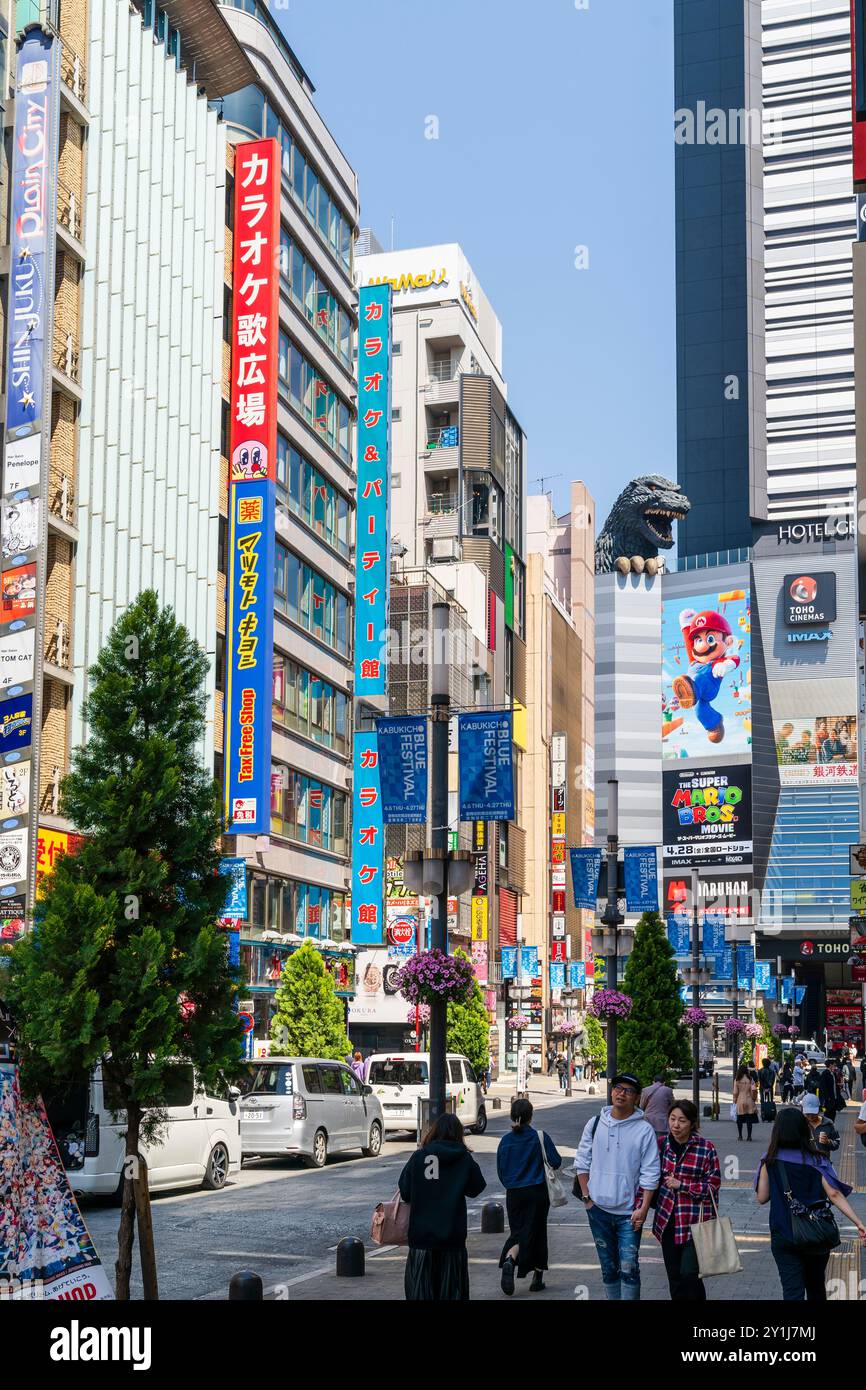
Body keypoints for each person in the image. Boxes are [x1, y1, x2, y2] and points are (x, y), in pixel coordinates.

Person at [755, 1106, 866, 1300]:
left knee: (792, 1291)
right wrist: (859, 1223)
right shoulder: (817, 1160)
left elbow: (762, 1198)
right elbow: (834, 1194)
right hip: (816, 1234)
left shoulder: (769, 1161)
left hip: (784, 1234)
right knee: (815, 1287)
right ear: (804, 1129)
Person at [572, 1072, 660, 1300]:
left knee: (629, 1268)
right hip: (598, 1210)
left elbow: (651, 1173)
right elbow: (582, 1161)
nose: (622, 1093)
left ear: (637, 1098)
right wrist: (586, 1198)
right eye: (618, 1088)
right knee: (608, 1268)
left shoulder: (644, 1130)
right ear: (611, 1092)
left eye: (628, 1090)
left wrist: (643, 1208)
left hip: (629, 1215)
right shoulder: (595, 1124)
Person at [398, 1112, 486, 1301]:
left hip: (421, 1240)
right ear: (458, 1134)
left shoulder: (419, 1156)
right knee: (452, 1293)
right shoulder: (463, 1158)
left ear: (434, 1131)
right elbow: (477, 1188)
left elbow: (405, 1191)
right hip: (452, 1239)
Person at [652, 1100, 721, 1301]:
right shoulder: (661, 1145)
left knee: (690, 1276)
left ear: (692, 1123)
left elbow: (713, 1185)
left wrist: (682, 1185)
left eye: (682, 1120)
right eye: (672, 1119)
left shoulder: (705, 1148)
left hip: (695, 1223)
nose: (676, 1125)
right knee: (675, 1279)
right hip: (667, 1222)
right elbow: (647, 1178)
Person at [497, 1098, 562, 1295]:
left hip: (514, 1193)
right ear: (531, 1116)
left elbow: (501, 1170)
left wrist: (512, 1183)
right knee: (538, 1232)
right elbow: (556, 1161)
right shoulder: (539, 1137)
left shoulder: (506, 1140)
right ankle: (536, 1277)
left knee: (518, 1231)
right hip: (537, 1191)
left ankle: (510, 1258)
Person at [639, 1074, 676, 1144]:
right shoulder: (668, 1090)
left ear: (653, 1082)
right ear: (664, 1082)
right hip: (662, 1121)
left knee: (649, 1142)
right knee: (662, 1142)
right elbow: (673, 1105)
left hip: (648, 1120)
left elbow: (641, 1106)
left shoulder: (645, 1090)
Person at [733, 1064, 758, 1141]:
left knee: (739, 1119)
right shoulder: (750, 1079)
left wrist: (734, 1100)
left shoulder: (737, 1079)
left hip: (740, 1100)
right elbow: (754, 1089)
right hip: (749, 1100)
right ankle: (749, 1136)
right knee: (749, 1119)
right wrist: (754, 1098)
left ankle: (740, 1136)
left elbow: (735, 1092)